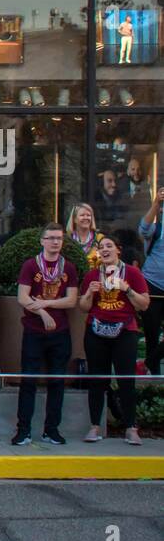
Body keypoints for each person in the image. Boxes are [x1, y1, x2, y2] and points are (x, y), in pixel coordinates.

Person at [78, 233, 150, 445]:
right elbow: (83, 307)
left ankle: (130, 427)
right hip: (96, 330)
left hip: (125, 331)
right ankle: (94, 427)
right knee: (97, 380)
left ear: (118, 250)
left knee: (126, 380)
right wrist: (90, 294)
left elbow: (144, 304)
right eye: (101, 247)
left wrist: (126, 288)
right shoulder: (92, 275)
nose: (105, 250)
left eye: (109, 246)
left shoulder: (133, 273)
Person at [14, 223, 79, 446]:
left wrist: (46, 302)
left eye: (59, 238)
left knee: (57, 382)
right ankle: (23, 430)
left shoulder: (68, 267)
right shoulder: (31, 266)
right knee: (29, 381)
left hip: (60, 333)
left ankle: (51, 430)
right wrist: (42, 312)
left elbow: (71, 300)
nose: (55, 242)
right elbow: (23, 297)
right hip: (33, 330)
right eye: (50, 238)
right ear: (42, 241)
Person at [137, 186, 164, 375]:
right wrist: (155, 204)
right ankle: (154, 380)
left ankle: (148, 362)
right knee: (152, 335)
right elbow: (143, 229)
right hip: (153, 285)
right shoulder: (158, 228)